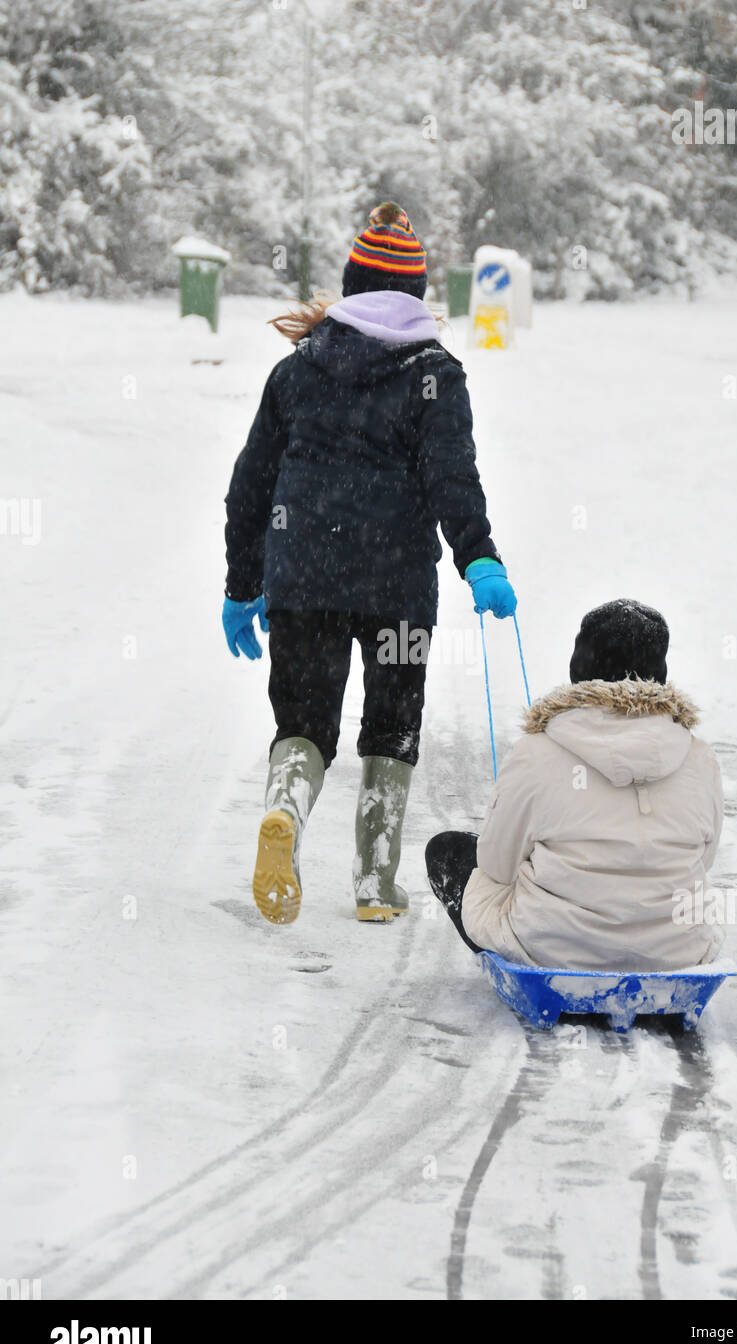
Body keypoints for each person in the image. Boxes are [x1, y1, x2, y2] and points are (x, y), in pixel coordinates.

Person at [222, 202, 516, 926]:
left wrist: (242, 583)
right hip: (397, 591)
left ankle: (285, 812)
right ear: (415, 295)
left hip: (303, 579)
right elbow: (453, 477)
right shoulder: (435, 375)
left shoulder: (298, 370)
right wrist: (477, 558)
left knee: (303, 723)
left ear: (351, 285)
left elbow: (249, 485)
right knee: (391, 728)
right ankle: (374, 883)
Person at [425, 600, 725, 970]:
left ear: (580, 667)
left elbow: (497, 863)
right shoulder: (700, 757)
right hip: (679, 951)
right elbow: (704, 860)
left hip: (551, 949)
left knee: (449, 850)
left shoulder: (537, 751)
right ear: (659, 674)